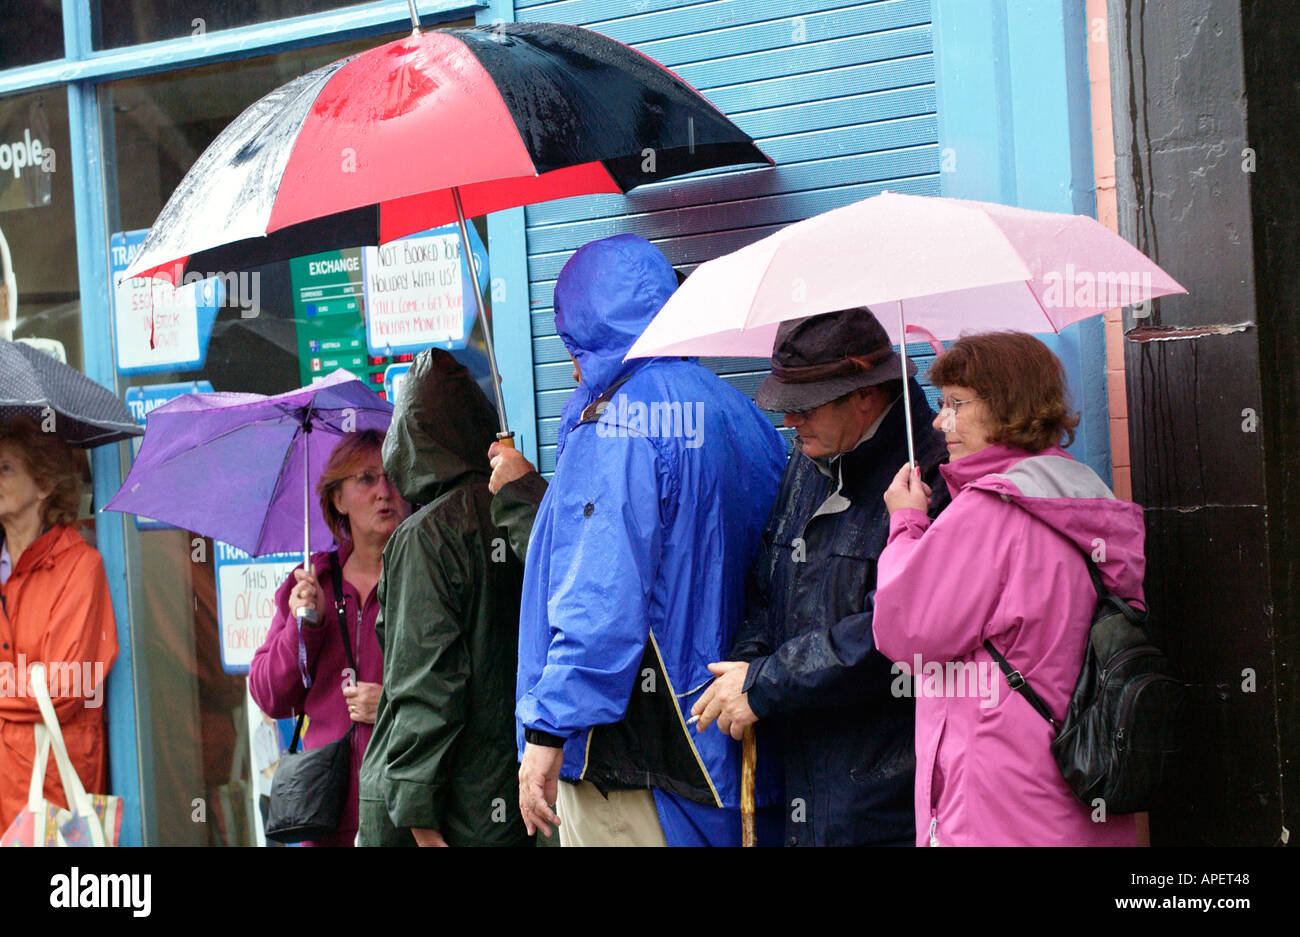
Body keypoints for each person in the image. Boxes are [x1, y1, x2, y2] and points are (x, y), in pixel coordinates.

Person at [505, 233, 787, 847]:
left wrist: (548, 732)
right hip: (735, 757)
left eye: (571, 342)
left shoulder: (616, 422)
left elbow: (599, 600)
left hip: (638, 761)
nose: (572, 364)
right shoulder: (746, 417)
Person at [872, 331, 1141, 846]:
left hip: (997, 803)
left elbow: (906, 634)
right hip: (1084, 781)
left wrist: (906, 524)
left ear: (1004, 405)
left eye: (955, 404)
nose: (937, 421)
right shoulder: (1083, 493)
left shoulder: (988, 511)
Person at [692, 308, 949, 846]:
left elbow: (890, 634)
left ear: (865, 395)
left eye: (805, 406)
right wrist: (746, 667)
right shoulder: (811, 458)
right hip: (804, 782)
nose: (790, 421)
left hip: (889, 798)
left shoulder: (932, 476)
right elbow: (767, 583)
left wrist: (764, 684)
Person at [357, 348, 529, 848]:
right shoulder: (523, 506)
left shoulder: (425, 537)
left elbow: (425, 686)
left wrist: (418, 820)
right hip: (516, 797)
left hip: (454, 812)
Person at [248, 427, 408, 847]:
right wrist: (307, 626)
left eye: (392, 475)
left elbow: (462, 685)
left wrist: (389, 705)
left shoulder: (426, 576)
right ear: (337, 500)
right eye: (366, 479)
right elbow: (270, 695)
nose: (384, 491)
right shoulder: (311, 583)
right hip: (326, 815)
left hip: (407, 812)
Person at [0, 416, 118, 830]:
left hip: (51, 797)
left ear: (45, 483)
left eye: (5, 468)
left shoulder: (80, 567)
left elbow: (68, 686)